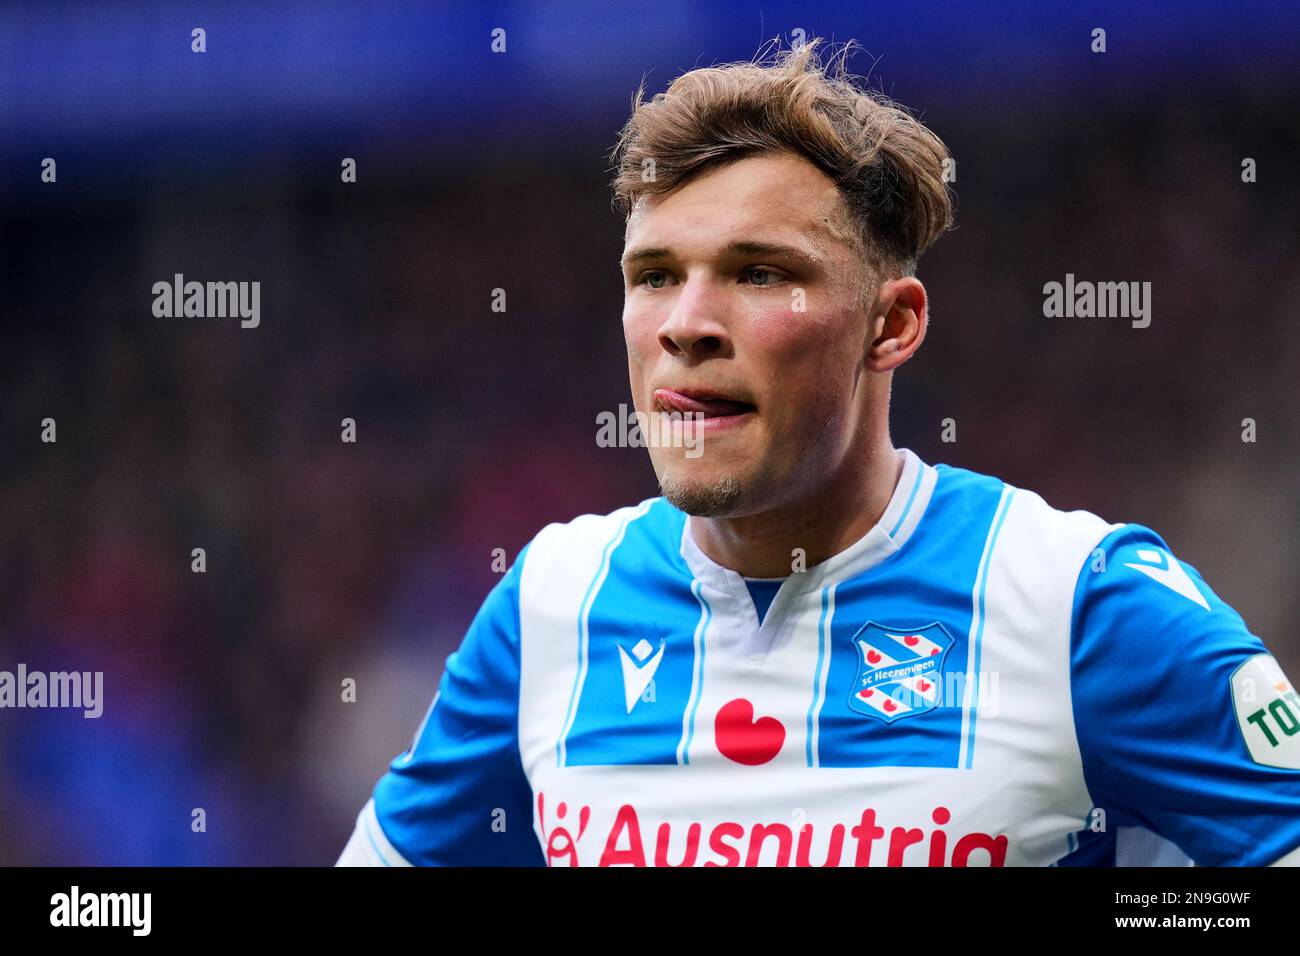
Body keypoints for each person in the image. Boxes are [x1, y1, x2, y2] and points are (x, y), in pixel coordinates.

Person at [337, 38, 1300, 867]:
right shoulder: (551, 603)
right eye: (655, 275)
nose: (686, 324)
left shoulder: (1083, 606)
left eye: (760, 273)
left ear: (892, 324)